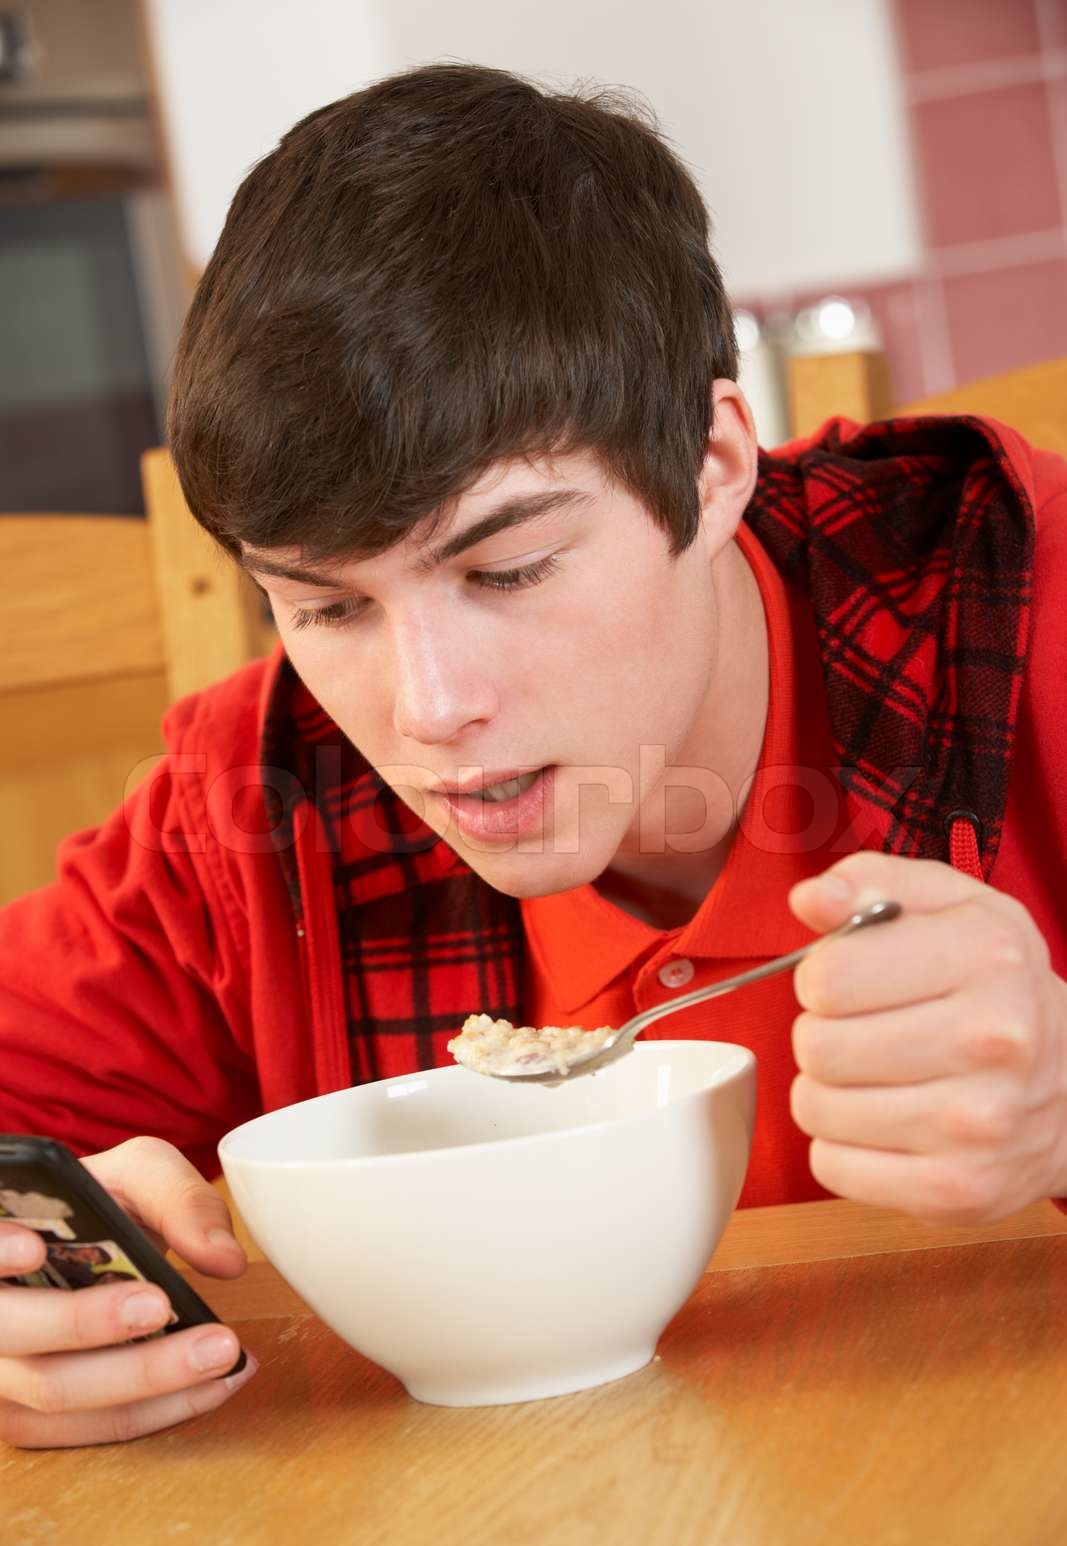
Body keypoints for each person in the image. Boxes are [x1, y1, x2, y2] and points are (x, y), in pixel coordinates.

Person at [1, 62, 1066, 1448]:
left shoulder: (1024, 614)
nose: (430, 709)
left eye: (506, 571)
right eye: (328, 606)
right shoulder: (255, 808)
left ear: (711, 461)